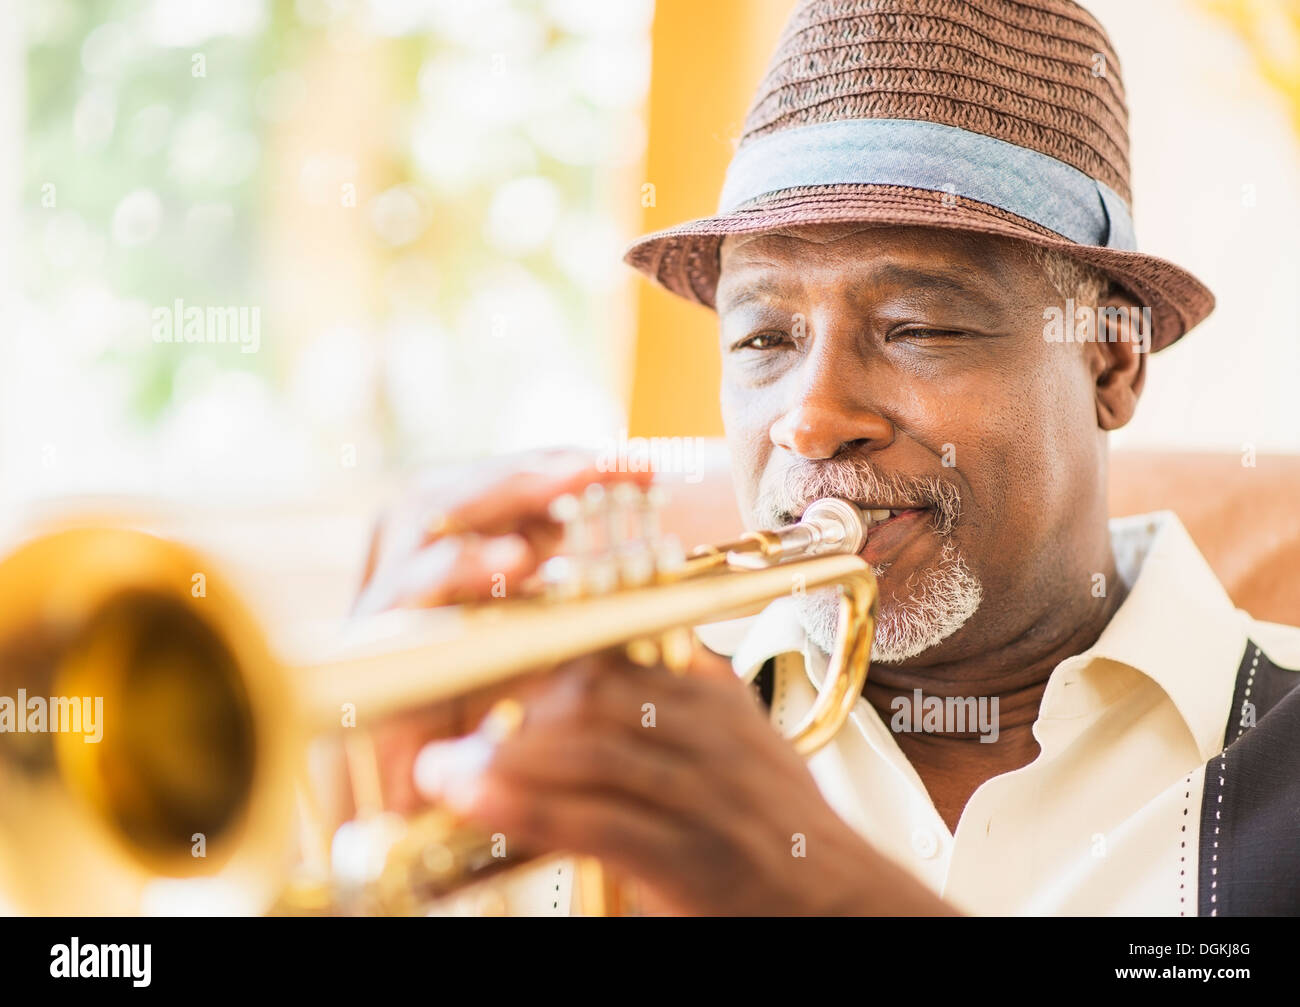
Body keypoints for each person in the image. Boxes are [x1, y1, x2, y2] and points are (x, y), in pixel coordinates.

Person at [354, 0, 1300, 915]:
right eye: (764, 340)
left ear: (1113, 361)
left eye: (917, 326)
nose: (810, 419)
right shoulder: (596, 729)